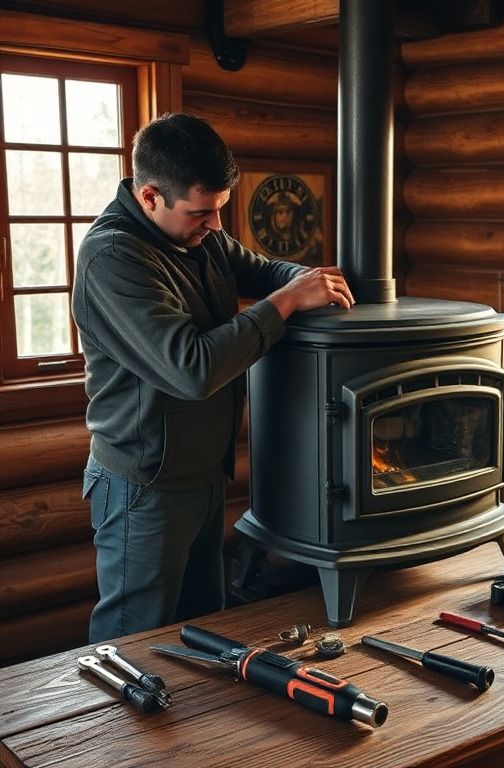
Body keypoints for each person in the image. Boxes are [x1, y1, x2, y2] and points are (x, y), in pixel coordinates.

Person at [72, 112, 354, 643]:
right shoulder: (111, 257)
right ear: (150, 196)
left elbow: (267, 271)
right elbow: (192, 368)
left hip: (201, 476)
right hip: (144, 484)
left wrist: (309, 282)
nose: (217, 226)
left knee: (200, 631)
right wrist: (288, 301)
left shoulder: (201, 238)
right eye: (202, 213)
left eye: (220, 211)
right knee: (135, 641)